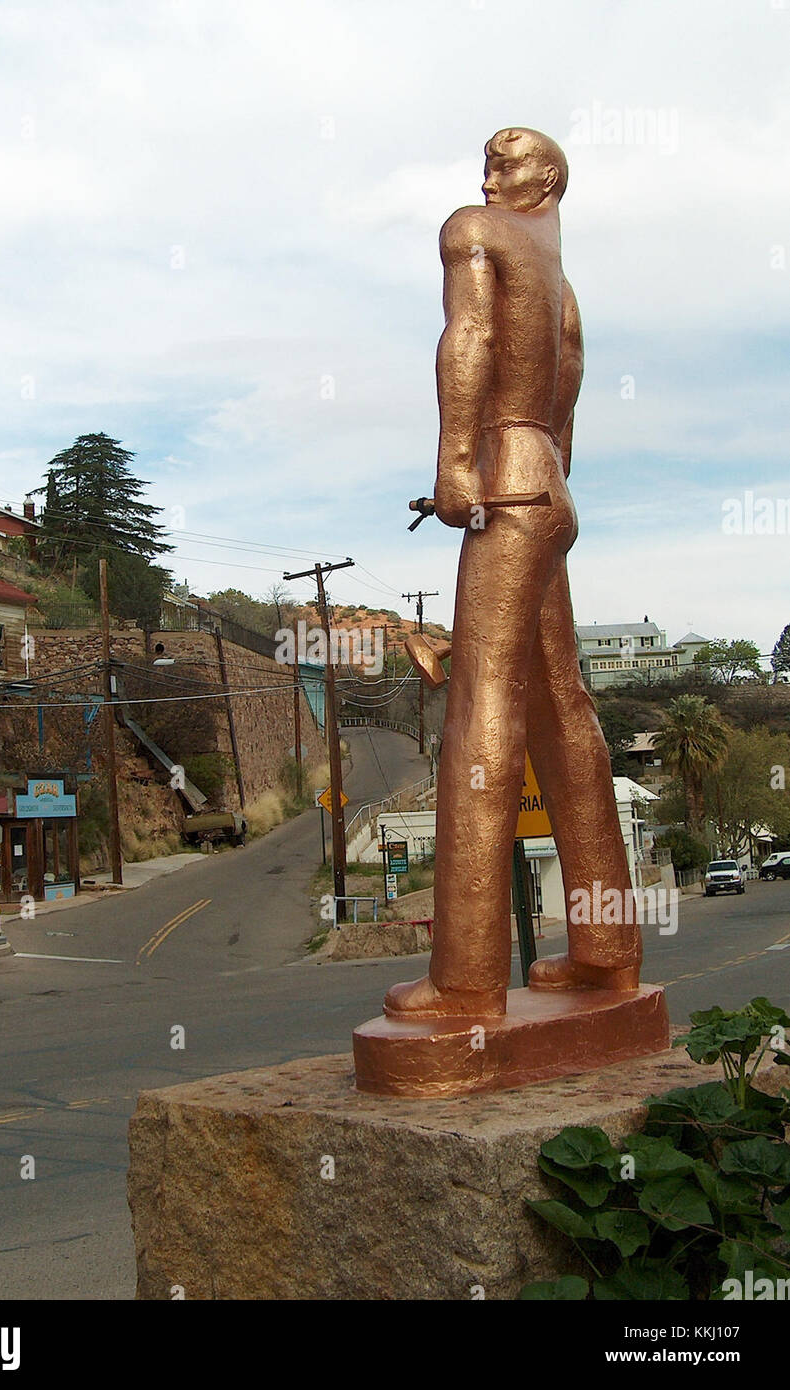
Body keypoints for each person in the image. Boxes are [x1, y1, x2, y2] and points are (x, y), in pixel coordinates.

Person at [386, 128, 641, 1021]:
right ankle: (607, 950)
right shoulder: (562, 285)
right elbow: (564, 380)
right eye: (486, 162)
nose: (485, 176)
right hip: (549, 486)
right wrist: (544, 476)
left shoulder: (474, 232)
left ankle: (464, 979)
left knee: (481, 704)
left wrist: (457, 458)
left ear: (548, 176)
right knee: (562, 704)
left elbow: (469, 336)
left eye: (506, 161)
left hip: (504, 479)